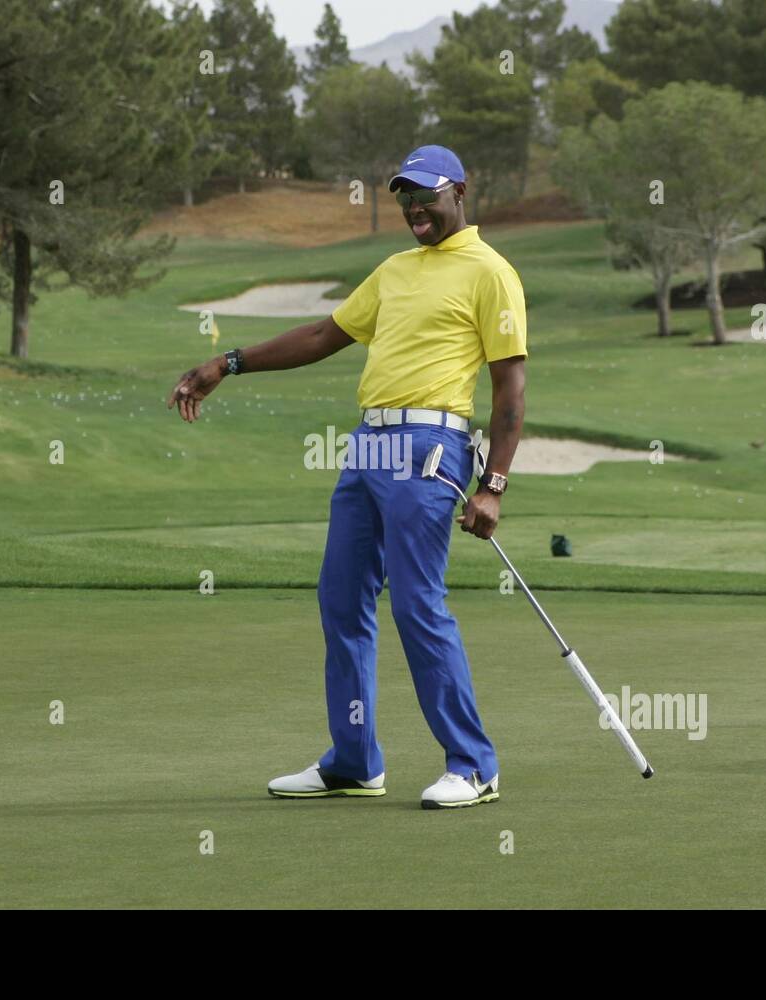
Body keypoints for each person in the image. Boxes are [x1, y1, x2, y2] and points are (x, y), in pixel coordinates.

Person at [167, 145, 527, 809]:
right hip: (368, 446)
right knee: (341, 600)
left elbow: (510, 386)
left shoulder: (490, 272)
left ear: (460, 192)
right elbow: (321, 336)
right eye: (404, 197)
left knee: (418, 603)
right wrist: (230, 362)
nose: (414, 208)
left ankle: (474, 765)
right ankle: (355, 760)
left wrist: (493, 484)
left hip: (430, 442)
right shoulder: (394, 271)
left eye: (426, 195)